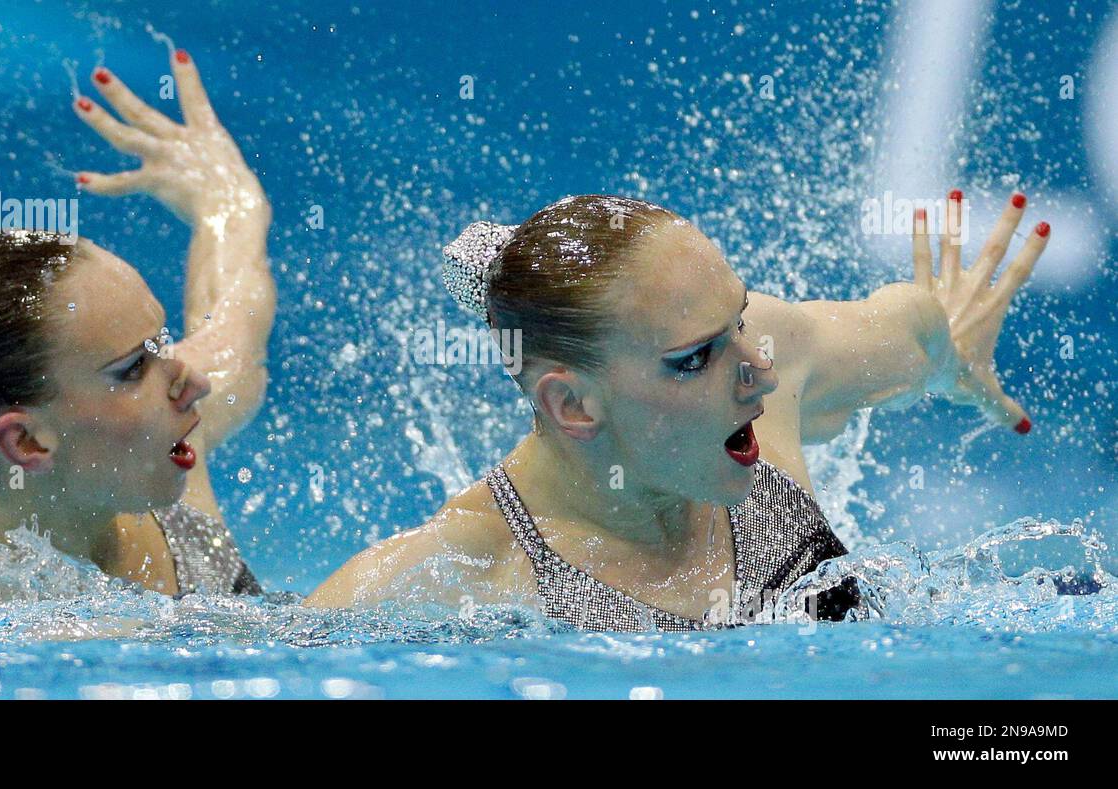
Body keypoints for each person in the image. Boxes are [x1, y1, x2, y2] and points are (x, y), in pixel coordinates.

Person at [306, 192, 1049, 631]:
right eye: (696, 357)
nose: (759, 372)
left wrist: (951, 356)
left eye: (740, 318)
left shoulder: (768, 360)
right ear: (571, 404)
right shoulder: (450, 577)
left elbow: (910, 321)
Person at [0, 49, 275, 603]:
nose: (196, 382)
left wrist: (230, 200)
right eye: (135, 367)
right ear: (25, 440)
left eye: (160, 344)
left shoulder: (160, 441)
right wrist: (415, 548)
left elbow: (233, 320)